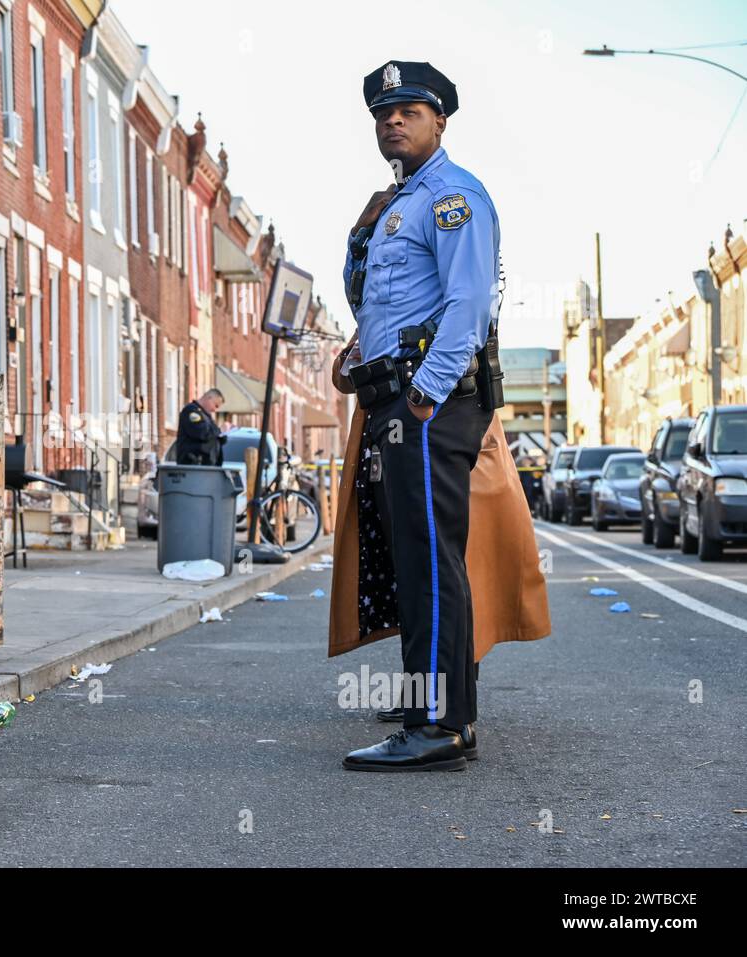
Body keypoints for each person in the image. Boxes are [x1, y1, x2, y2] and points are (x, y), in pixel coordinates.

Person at [338, 61, 501, 771]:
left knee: (430, 563)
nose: (393, 121)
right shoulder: (396, 203)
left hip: (426, 403)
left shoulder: (452, 197)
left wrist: (424, 395)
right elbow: (388, 303)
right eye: (383, 112)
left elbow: (469, 306)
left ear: (440, 121)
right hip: (393, 397)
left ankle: (437, 725)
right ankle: (435, 706)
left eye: (408, 110)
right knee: (415, 561)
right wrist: (357, 352)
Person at [176, 389, 227, 466]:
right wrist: (219, 430)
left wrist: (223, 435)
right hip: (193, 464)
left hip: (207, 465)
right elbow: (201, 433)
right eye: (215, 405)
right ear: (209, 398)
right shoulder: (191, 411)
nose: (214, 410)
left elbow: (214, 436)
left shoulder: (206, 416)